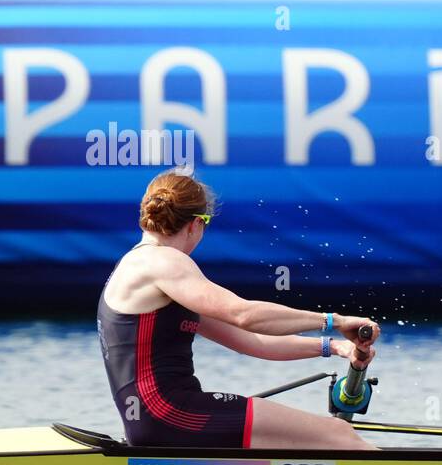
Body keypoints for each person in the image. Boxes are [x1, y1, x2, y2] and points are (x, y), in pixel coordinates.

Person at [97, 167, 379, 450]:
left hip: (157, 421)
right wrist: (334, 320)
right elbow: (244, 315)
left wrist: (333, 346)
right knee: (339, 435)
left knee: (320, 439)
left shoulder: (137, 266)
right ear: (196, 223)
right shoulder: (165, 262)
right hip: (173, 415)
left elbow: (251, 341)